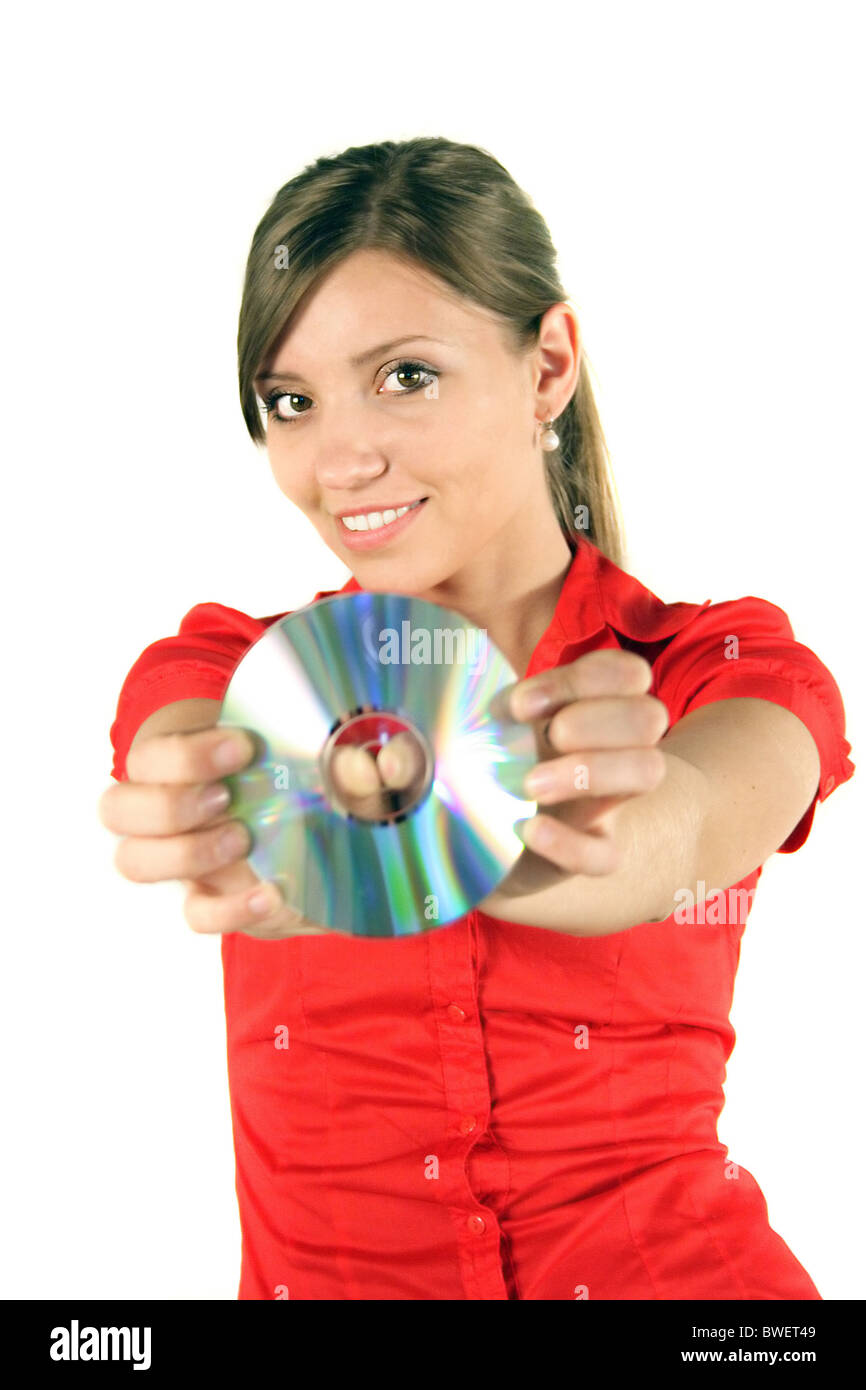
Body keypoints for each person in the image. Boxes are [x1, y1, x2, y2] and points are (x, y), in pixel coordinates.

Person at [99, 136, 854, 1300]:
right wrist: (246, 801)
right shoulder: (232, 664)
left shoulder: (718, 662)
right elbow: (195, 750)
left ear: (547, 364)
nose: (341, 458)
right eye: (289, 400)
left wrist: (428, 813)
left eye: (405, 375)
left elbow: (669, 839)